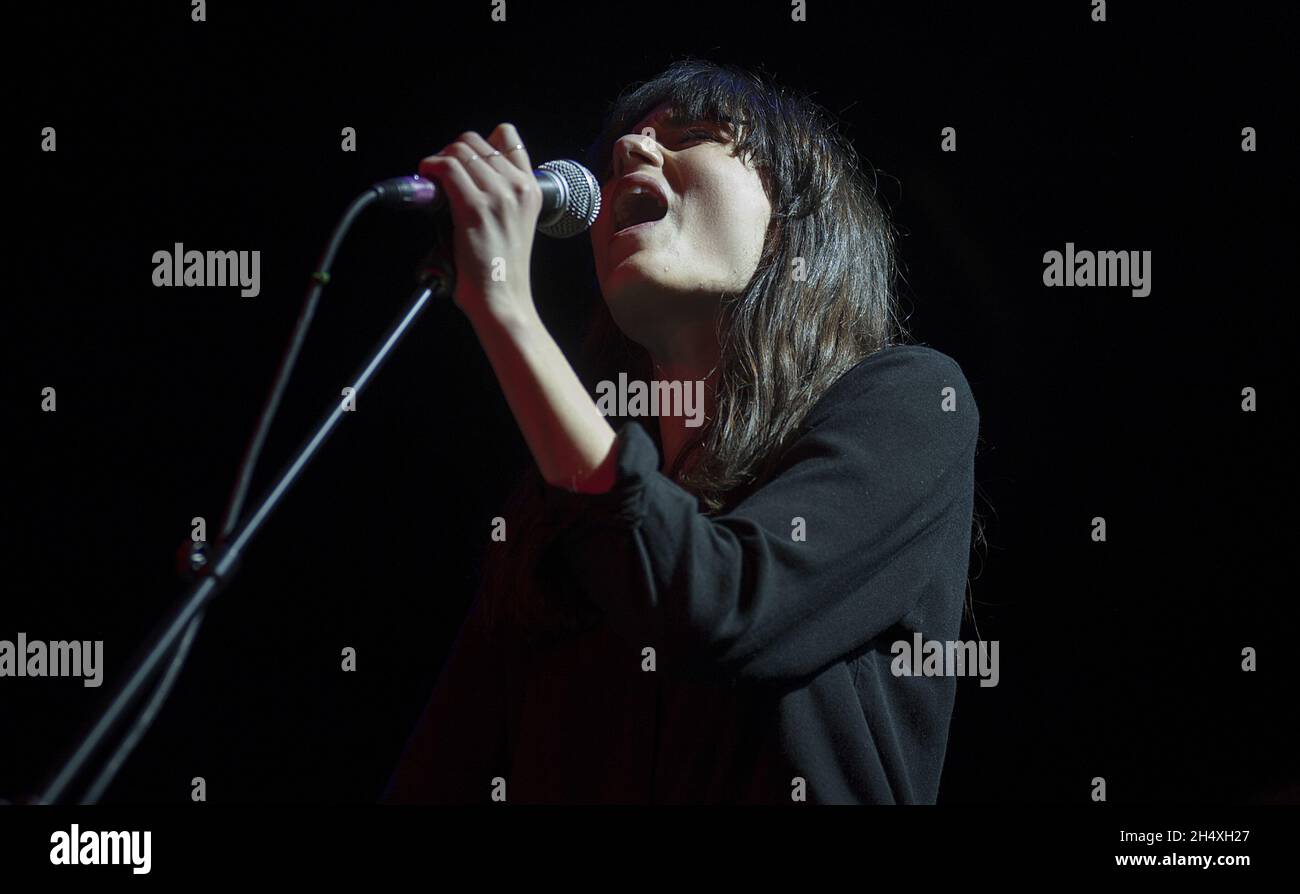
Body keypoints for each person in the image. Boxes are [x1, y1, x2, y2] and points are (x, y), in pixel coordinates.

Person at [383, 59, 981, 804]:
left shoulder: (911, 402)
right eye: (620, 148)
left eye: (692, 135)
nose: (630, 154)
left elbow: (724, 609)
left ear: (795, 213)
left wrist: (505, 307)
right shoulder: (552, 520)